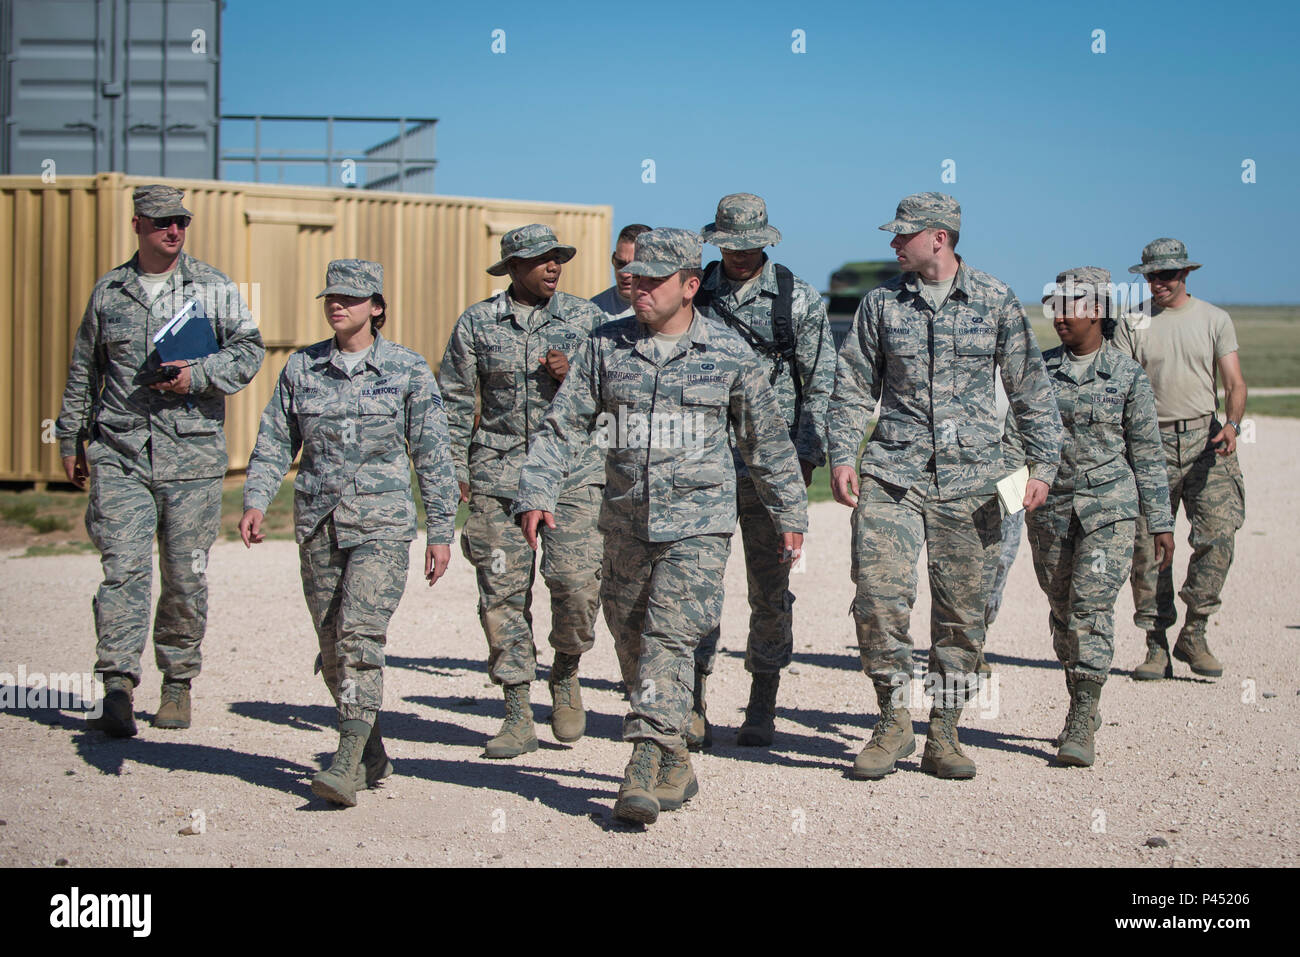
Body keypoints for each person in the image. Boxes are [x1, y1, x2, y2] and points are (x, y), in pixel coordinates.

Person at [514, 228, 808, 825]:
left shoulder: (727, 353)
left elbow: (767, 442)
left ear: (689, 286)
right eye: (635, 278)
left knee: (671, 637)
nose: (638, 288)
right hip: (624, 520)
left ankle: (644, 759)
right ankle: (675, 754)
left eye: (654, 281)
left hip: (698, 527)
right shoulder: (604, 346)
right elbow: (563, 425)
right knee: (630, 639)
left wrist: (789, 512)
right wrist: (537, 489)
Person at [829, 192, 1063, 781]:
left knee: (962, 613)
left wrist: (1042, 466)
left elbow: (1031, 388)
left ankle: (945, 732)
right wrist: (842, 454)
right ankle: (891, 719)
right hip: (893, 475)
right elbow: (854, 385)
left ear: (938, 238)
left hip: (973, 483)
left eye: (902, 235)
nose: (892, 244)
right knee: (878, 599)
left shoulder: (995, 300)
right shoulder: (880, 304)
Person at [239, 259, 458, 807]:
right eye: (331, 298)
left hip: (381, 526)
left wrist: (440, 530)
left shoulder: (406, 370)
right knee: (333, 647)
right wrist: (256, 499)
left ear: (376, 307)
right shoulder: (301, 369)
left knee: (360, 636)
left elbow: (433, 455)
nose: (338, 306)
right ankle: (373, 747)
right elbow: (274, 441)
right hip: (318, 524)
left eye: (351, 299)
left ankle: (344, 758)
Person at [55, 184, 265, 738]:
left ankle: (177, 682)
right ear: (137, 226)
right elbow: (85, 369)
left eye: (181, 221)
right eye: (161, 222)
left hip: (191, 455)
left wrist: (197, 376)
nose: (173, 231)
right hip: (120, 450)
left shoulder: (212, 287)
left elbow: (249, 351)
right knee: (122, 570)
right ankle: (118, 685)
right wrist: (71, 439)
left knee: (184, 576)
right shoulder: (110, 292)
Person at [437, 224, 607, 757]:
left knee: (577, 584)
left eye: (558, 258)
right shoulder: (478, 323)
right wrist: (453, 470)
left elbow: (617, 398)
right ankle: (515, 710)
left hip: (572, 473)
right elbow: (456, 402)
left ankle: (565, 671)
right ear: (512, 267)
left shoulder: (588, 321)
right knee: (502, 593)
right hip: (499, 474)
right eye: (540, 260)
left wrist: (572, 376)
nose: (553, 267)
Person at [1004, 268, 1174, 766]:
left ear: (1098, 311)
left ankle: (1081, 714)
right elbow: (1015, 440)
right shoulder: (1039, 371)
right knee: (1061, 611)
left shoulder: (1126, 375)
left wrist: (1160, 521)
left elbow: (1147, 452)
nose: (1059, 317)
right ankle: (1079, 688)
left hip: (1109, 509)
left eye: (1071, 307)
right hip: (1051, 511)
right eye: (1055, 306)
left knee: (1089, 608)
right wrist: (1005, 505)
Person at [685, 192, 835, 749]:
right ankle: (692, 702)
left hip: (771, 472)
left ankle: (762, 701)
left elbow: (821, 385)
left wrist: (805, 460)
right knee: (694, 589)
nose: (739, 255)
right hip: (702, 467)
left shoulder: (797, 301)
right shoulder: (694, 295)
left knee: (769, 592)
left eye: (749, 246)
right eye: (729, 245)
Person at [1113, 239, 1247, 680]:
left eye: (1167, 275)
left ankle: (1196, 630)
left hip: (1206, 441)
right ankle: (1155, 645)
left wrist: (1232, 425)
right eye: (1151, 276)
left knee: (1218, 536)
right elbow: (1121, 388)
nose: (1158, 284)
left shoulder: (1214, 319)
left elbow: (1234, 381)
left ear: (1185, 275)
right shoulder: (1132, 322)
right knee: (1150, 547)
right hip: (1148, 445)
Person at [591, 223, 652, 319]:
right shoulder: (594, 310)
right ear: (612, 259)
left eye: (633, 266)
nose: (624, 273)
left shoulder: (671, 308)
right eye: (620, 263)